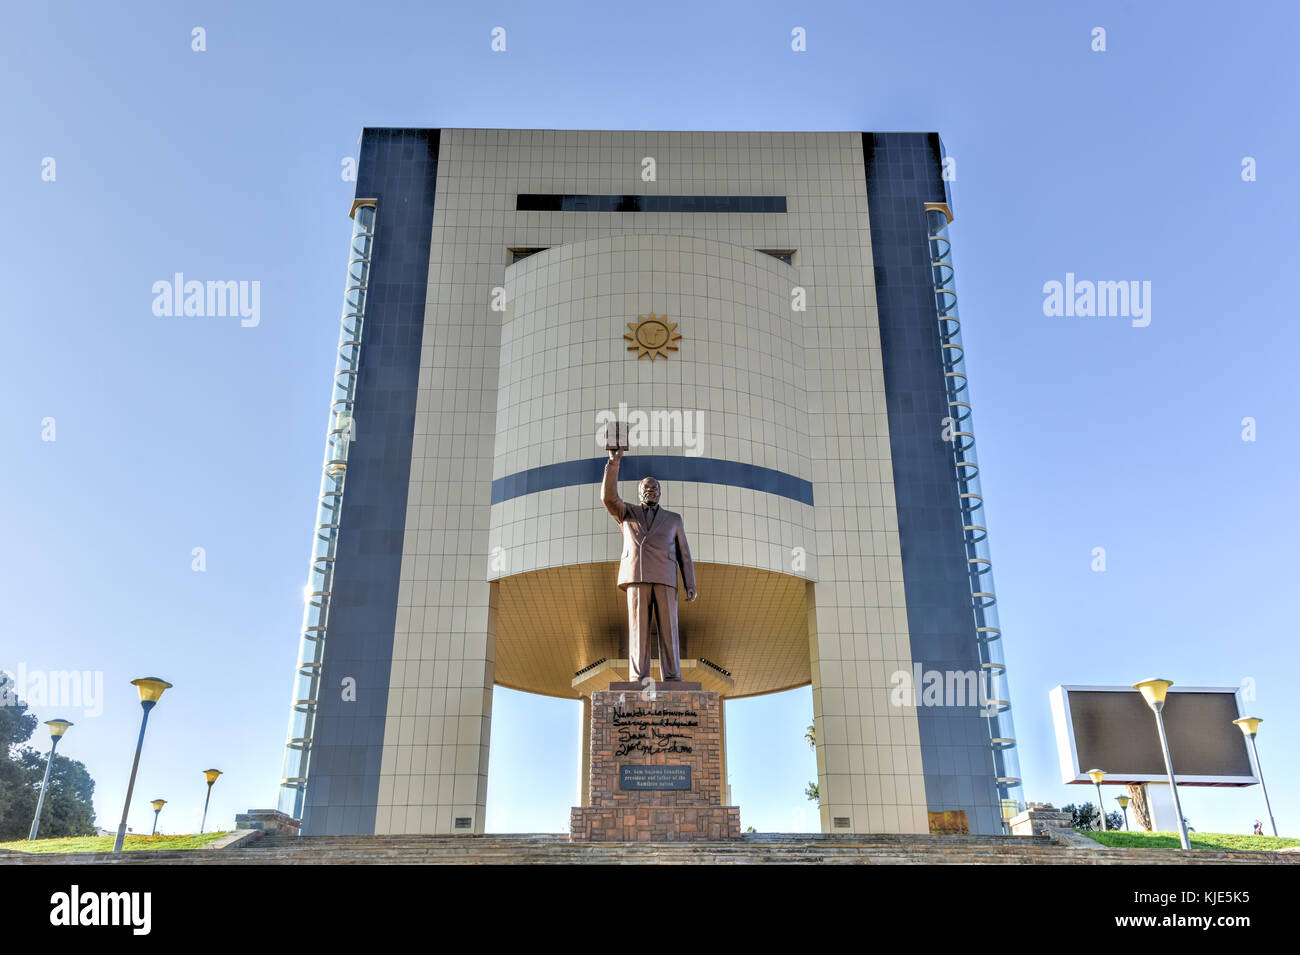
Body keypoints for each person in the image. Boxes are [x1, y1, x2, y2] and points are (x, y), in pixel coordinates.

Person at [601, 447, 697, 683]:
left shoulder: (674, 519)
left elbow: (684, 554)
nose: (651, 491)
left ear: (660, 493)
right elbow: (608, 497)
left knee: (669, 632)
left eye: (655, 488)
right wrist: (613, 464)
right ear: (639, 492)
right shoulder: (627, 513)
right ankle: (638, 677)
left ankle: (673, 677)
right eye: (646, 488)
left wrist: (690, 584)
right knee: (638, 631)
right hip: (637, 576)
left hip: (666, 578)